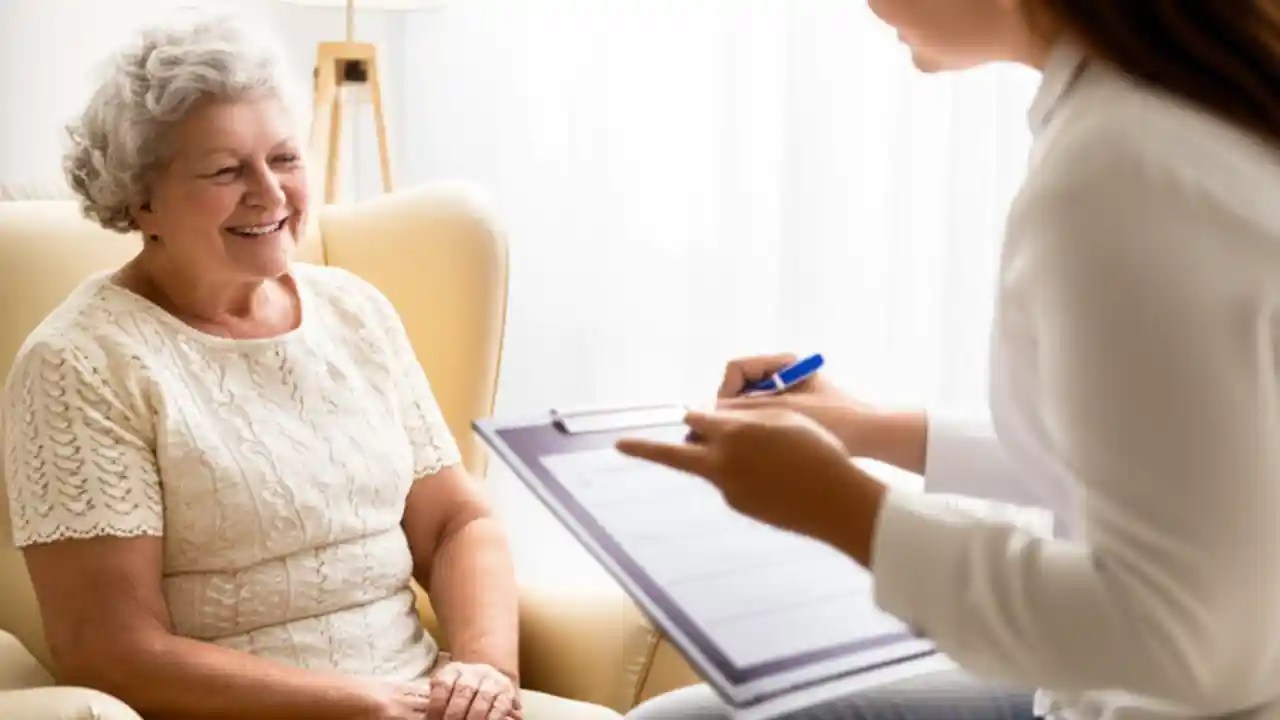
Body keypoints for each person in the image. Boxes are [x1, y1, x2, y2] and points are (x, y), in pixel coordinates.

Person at [620, 0, 1280, 718]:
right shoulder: (1183, 115)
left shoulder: (1117, 171)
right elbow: (1170, 469)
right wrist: (868, 429)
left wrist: (844, 508)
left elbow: (1185, 642)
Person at [0, 15, 618, 720]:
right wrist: (361, 703)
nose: (270, 193)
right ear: (143, 200)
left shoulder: (355, 309)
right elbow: (109, 648)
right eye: (227, 171)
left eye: (285, 159)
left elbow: (453, 524)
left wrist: (482, 672)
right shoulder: (80, 363)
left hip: (423, 700)